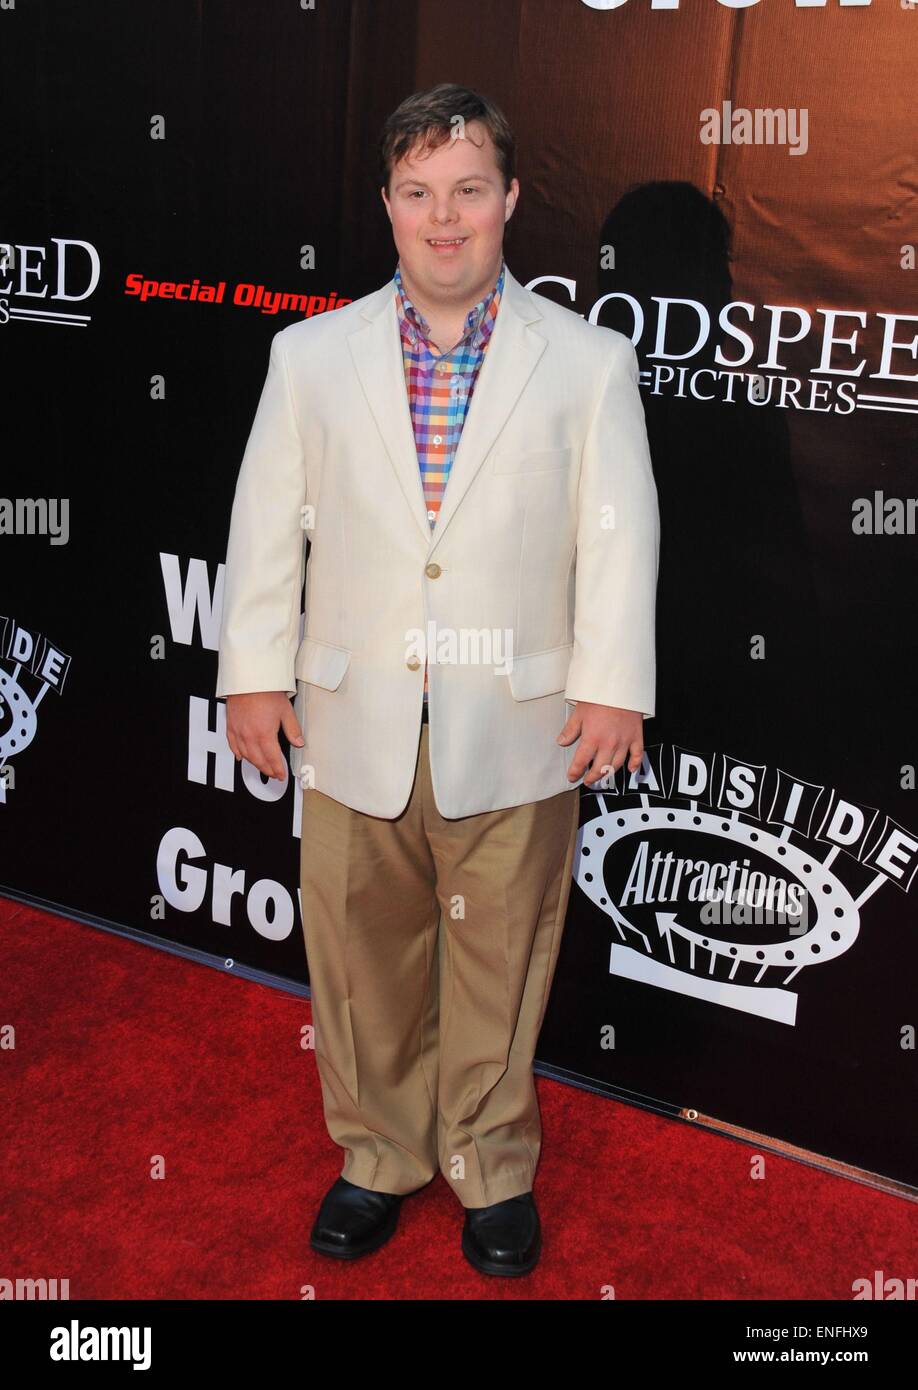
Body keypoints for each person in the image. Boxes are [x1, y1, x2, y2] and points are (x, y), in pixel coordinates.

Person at [216, 83, 659, 1277]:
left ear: (511, 199)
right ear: (389, 206)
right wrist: (251, 673)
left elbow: (617, 536)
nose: (444, 218)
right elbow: (267, 531)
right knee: (358, 958)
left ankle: (490, 1165)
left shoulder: (587, 363)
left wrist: (614, 684)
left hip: (518, 723)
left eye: (469, 189)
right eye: (419, 193)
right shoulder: (309, 355)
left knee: (501, 958)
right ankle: (376, 1155)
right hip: (353, 716)